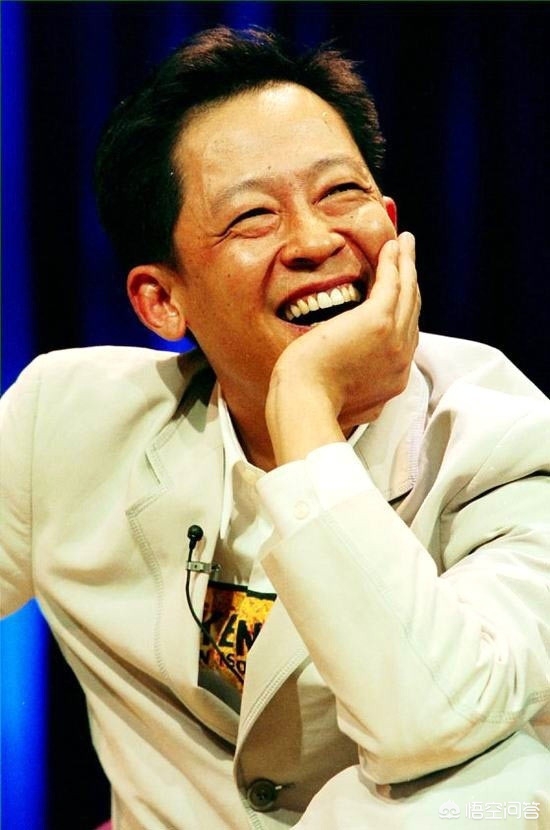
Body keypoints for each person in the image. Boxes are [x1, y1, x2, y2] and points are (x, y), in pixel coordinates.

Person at [2, 25, 550, 830]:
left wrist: (302, 409)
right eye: (254, 216)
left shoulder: (504, 442)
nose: (317, 241)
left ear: (391, 223)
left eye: (341, 194)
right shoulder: (67, 422)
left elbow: (432, 725)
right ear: (162, 300)